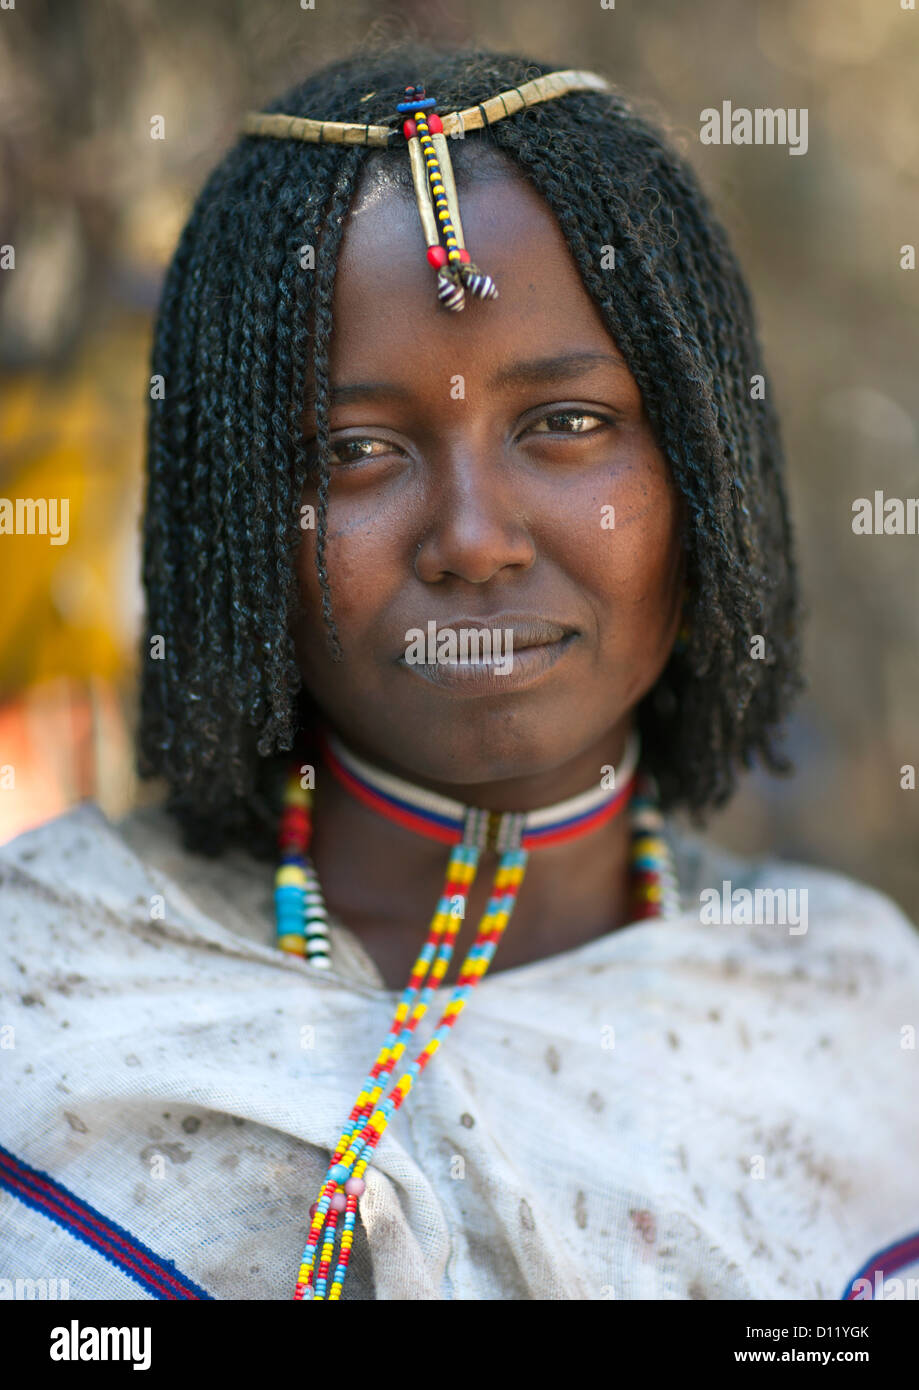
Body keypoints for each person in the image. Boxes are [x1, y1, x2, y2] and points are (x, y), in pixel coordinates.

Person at [1, 42, 917, 1303]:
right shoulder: (38, 995)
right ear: (234, 516)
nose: (475, 539)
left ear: (704, 469)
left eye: (566, 423)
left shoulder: (856, 1020)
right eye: (358, 449)